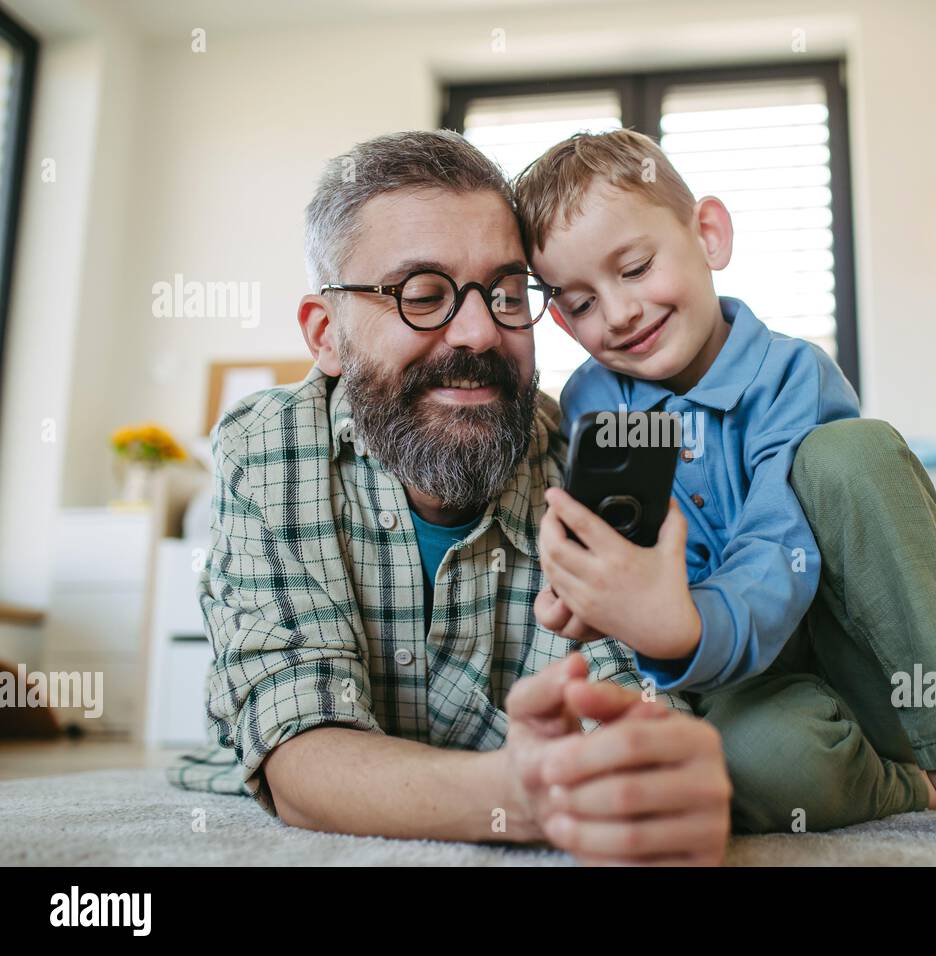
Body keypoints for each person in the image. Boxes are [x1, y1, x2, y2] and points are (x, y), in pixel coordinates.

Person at [167, 130, 732, 866]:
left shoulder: (580, 459)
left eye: (504, 293)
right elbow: (298, 749)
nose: (478, 331)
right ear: (326, 335)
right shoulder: (269, 448)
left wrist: (646, 766)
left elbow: (624, 696)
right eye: (423, 295)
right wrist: (528, 796)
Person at [515, 129, 936, 847]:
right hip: (750, 692)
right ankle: (916, 785)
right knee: (755, 764)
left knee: (852, 452)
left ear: (708, 235)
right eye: (582, 303)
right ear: (559, 317)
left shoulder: (793, 377)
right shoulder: (593, 402)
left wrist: (685, 624)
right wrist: (594, 595)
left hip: (869, 666)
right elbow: (620, 540)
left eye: (636, 267)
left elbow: (778, 549)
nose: (619, 313)